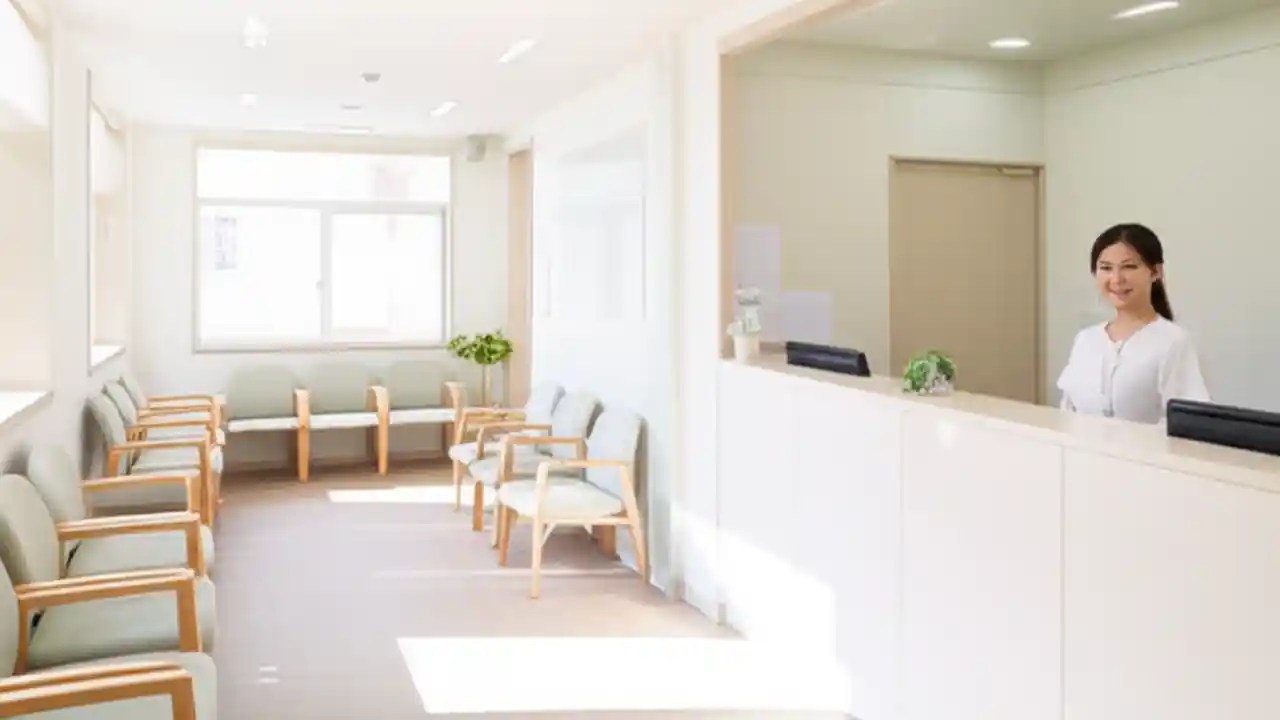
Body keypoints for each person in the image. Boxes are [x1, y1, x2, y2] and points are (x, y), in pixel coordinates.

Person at [1057, 223, 1209, 424]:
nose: (1117, 279)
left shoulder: (1173, 341)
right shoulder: (1086, 340)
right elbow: (1067, 415)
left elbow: (1190, 422)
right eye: (1106, 268)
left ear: (1155, 272)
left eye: (1129, 267)